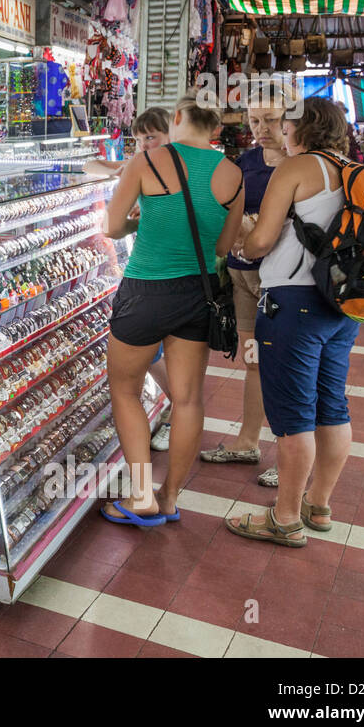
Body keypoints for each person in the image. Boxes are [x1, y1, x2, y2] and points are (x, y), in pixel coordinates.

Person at [101, 95, 245, 526]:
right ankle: (168, 497)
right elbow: (223, 248)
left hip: (145, 290)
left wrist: (142, 221)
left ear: (177, 118)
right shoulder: (232, 174)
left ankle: (140, 496)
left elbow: (111, 226)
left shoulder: (147, 161)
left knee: (125, 390)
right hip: (198, 295)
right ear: (216, 130)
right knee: (187, 400)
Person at [225, 98, 357, 547]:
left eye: (285, 125)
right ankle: (317, 505)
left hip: (293, 305)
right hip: (341, 307)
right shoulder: (352, 171)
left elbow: (260, 241)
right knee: (331, 407)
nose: (279, 132)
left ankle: (284, 518)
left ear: (299, 130)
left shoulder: (295, 169)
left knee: (293, 418)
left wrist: (242, 248)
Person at [200, 88, 288, 485]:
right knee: (253, 361)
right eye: (254, 120)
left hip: (281, 282)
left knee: (287, 365)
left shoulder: (301, 163)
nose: (261, 129)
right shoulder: (245, 161)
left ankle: (291, 458)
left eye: (270, 119)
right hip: (241, 278)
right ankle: (247, 440)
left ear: (290, 117)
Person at [85, 109, 176, 450]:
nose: (143, 145)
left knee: (152, 352)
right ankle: (176, 409)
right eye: (138, 139)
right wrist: (122, 166)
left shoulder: (174, 174)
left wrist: (136, 218)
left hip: (162, 275)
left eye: (151, 137)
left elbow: (114, 226)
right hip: (150, 273)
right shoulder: (142, 165)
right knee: (156, 351)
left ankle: (180, 410)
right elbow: (89, 167)